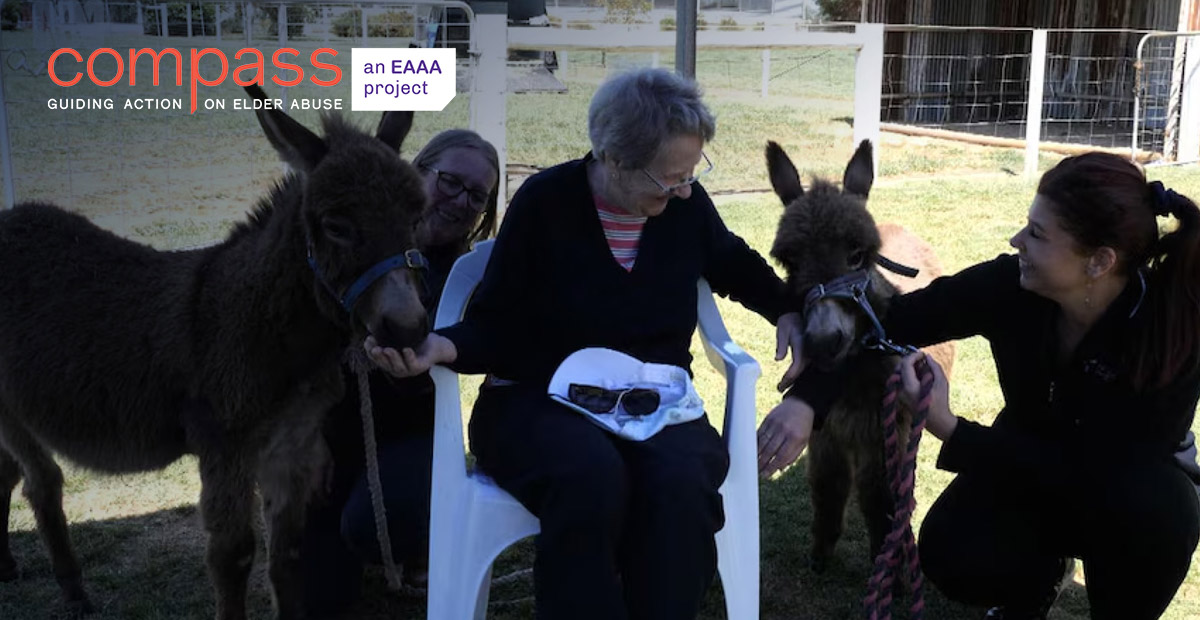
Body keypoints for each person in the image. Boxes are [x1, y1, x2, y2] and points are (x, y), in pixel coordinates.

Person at [365, 67, 804, 619]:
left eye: (691, 173)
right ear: (615, 159)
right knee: (589, 476)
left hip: (653, 402)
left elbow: (737, 266)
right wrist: (442, 347)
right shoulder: (545, 201)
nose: (685, 189)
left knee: (682, 480)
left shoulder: (686, 208)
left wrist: (788, 308)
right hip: (535, 399)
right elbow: (497, 322)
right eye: (670, 177)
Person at [758, 152, 1200, 620]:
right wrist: (808, 400)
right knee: (951, 547)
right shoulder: (1012, 286)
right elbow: (891, 321)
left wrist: (952, 429)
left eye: (1036, 234)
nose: (1016, 240)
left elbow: (1094, 475)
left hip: (1124, 495)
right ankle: (1035, 584)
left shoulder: (1171, 335)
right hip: (1028, 458)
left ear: (1099, 261)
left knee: (1159, 513)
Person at [300, 128, 499, 617]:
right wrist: (307, 436)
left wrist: (409, 372)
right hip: (329, 429)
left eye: (477, 195)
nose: (460, 201)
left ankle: (418, 536)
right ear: (417, 172)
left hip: (411, 435)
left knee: (373, 527)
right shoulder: (347, 245)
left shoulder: (470, 278)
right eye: (450, 182)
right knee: (319, 599)